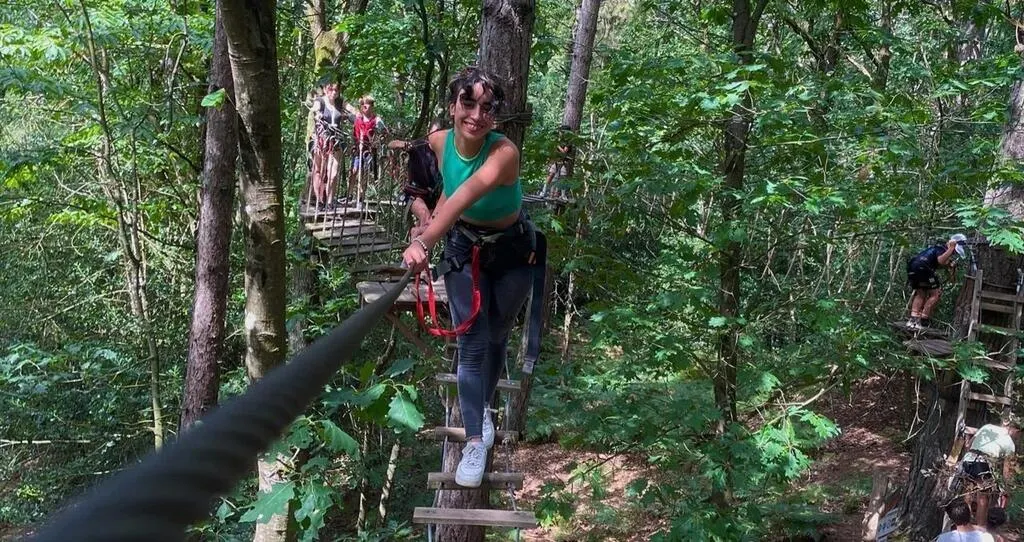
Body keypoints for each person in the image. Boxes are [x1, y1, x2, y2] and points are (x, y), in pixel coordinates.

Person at [402, 67, 538, 488]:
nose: (476, 115)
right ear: (452, 106)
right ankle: (475, 440)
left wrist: (424, 242)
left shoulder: (504, 153)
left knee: (496, 335)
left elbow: (462, 196)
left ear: (495, 116)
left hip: (513, 252)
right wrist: (423, 219)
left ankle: (485, 410)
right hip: (463, 247)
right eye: (468, 103)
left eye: (487, 108)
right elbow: (441, 184)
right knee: (472, 341)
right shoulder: (439, 141)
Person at [389, 122, 443, 240]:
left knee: (427, 227)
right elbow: (391, 144)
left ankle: (415, 243)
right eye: (433, 133)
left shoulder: (443, 152)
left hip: (433, 198)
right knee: (425, 215)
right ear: (428, 133)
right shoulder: (418, 146)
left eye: (439, 134)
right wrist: (403, 144)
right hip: (414, 194)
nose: (435, 137)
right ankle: (417, 241)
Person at [961, 415, 1018, 525]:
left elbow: (969, 444)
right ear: (1015, 430)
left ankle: (964, 524)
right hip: (982, 463)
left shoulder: (988, 427)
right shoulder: (1009, 443)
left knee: (968, 493)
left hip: (968, 459)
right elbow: (1007, 469)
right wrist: (1006, 487)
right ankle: (980, 528)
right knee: (983, 498)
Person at [310, 83, 358, 210]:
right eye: (330, 89)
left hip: (336, 140)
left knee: (333, 174)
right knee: (319, 171)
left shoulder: (340, 102)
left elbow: (353, 110)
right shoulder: (320, 101)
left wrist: (357, 116)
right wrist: (316, 114)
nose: (333, 92)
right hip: (321, 139)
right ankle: (320, 201)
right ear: (325, 89)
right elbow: (315, 108)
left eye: (336, 90)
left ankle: (330, 202)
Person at [905, 233, 967, 330]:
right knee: (936, 294)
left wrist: (950, 267)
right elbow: (940, 261)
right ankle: (923, 319)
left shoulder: (936, 250)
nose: (953, 254)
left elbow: (940, 264)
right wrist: (951, 249)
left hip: (913, 268)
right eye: (954, 251)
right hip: (923, 268)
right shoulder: (941, 249)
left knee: (921, 294)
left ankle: (913, 319)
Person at [348, 96, 388, 207]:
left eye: (367, 104)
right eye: (363, 104)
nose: (365, 106)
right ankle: (349, 194)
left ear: (372, 106)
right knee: (354, 171)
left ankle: (360, 197)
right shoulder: (358, 118)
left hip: (369, 151)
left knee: (364, 173)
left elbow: (384, 131)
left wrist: (379, 137)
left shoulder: (376, 120)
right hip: (357, 149)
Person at [542, 127, 572, 200]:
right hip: (556, 161)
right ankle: (543, 192)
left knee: (563, 178)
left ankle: (563, 195)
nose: (560, 133)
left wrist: (557, 146)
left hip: (564, 162)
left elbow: (564, 151)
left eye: (562, 132)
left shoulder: (568, 142)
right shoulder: (558, 141)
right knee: (551, 175)